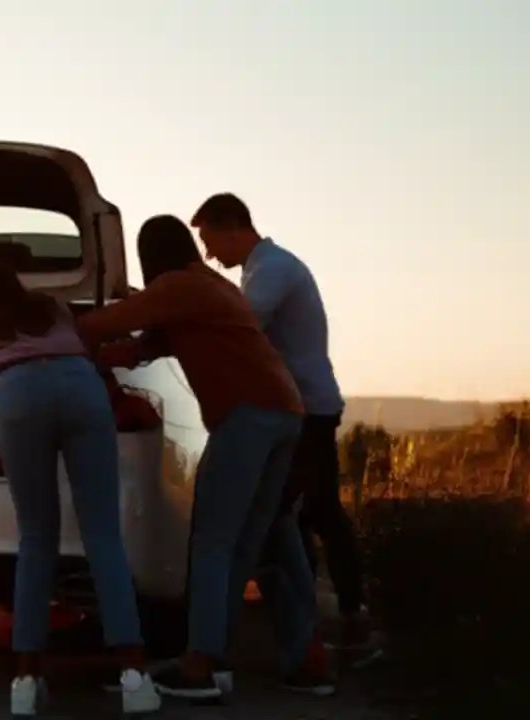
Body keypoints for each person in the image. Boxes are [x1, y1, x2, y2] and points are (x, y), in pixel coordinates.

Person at [78, 215, 334, 700]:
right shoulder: (211, 288)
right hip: (284, 414)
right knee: (258, 539)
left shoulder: (179, 286)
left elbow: (103, 323)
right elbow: (140, 347)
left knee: (213, 541)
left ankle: (201, 666)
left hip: (247, 416)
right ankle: (246, 659)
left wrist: (45, 329)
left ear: (150, 253)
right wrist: (104, 356)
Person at [0, 259, 161, 716]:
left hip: (18, 395)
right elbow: (90, 349)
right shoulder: (53, 309)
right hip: (81, 389)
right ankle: (135, 677)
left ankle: (25, 682)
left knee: (37, 538)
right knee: (102, 536)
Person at [190, 193, 373, 656]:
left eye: (211, 242)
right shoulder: (265, 268)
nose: (211, 255)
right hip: (308, 405)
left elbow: (240, 326)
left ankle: (322, 626)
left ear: (233, 226)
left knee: (290, 515)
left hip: (305, 408)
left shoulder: (270, 271)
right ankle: (336, 621)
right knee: (310, 513)